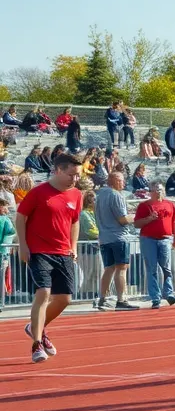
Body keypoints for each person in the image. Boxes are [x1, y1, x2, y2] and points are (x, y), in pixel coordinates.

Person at [17, 152, 84, 363]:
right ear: (58, 170)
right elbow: (20, 217)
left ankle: (35, 326)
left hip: (63, 252)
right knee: (43, 292)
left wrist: (73, 246)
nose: (75, 179)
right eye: (71, 175)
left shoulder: (76, 195)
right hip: (38, 251)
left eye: (78, 175)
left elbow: (75, 222)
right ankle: (37, 344)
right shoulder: (38, 193)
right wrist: (23, 245)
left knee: (64, 299)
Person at [95, 170, 138, 311]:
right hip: (118, 236)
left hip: (104, 237)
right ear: (114, 180)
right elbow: (123, 219)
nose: (124, 183)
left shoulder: (100, 195)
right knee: (121, 268)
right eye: (121, 180)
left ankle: (102, 298)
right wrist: (135, 216)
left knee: (109, 269)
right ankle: (121, 299)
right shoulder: (115, 195)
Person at [132, 180, 175, 308]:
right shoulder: (144, 206)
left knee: (166, 268)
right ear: (150, 192)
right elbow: (136, 224)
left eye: (160, 189)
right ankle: (155, 297)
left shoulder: (170, 204)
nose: (158, 192)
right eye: (156, 190)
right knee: (152, 269)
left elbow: (174, 222)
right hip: (148, 239)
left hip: (165, 238)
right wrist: (149, 219)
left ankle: (169, 293)